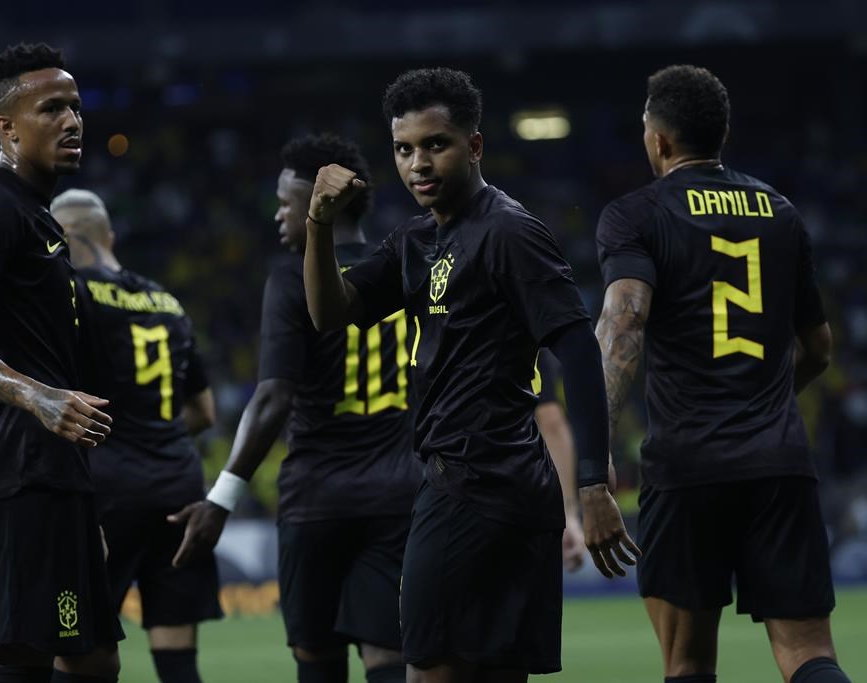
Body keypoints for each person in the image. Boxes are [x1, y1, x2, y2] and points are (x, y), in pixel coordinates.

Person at [302, 67, 637, 683]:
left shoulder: (508, 231)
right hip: (495, 488)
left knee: (429, 672)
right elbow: (331, 313)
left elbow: (578, 350)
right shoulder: (416, 240)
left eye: (436, 144)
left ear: (474, 145)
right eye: (404, 149)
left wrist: (593, 484)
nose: (418, 164)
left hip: (474, 485)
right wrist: (318, 223)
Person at [594, 64, 847, 683]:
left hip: (687, 466)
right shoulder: (781, 211)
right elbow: (819, 348)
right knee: (810, 654)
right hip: (779, 462)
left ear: (658, 139)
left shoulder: (635, 215)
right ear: (721, 134)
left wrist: (593, 456)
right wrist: (765, 400)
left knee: (688, 663)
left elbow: (624, 326)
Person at [171, 133, 419, 683]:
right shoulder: (404, 270)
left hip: (317, 501)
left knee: (318, 661)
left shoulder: (290, 279)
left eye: (287, 202)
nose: (279, 215)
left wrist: (221, 498)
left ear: (321, 202)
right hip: (398, 498)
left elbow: (273, 397)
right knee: (389, 659)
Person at [0, 43, 123, 683]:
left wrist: (80, 495)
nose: (72, 121)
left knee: (94, 657)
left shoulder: (38, 218)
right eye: (52, 108)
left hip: (55, 476)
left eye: (76, 107)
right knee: (28, 656)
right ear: (7, 127)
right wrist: (34, 395)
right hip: (15, 472)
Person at [50, 189, 221, 683]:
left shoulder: (72, 295)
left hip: (106, 493)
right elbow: (204, 412)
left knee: (78, 649)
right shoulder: (167, 301)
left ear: (62, 239)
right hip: (179, 488)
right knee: (178, 655)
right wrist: (156, 435)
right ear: (109, 236)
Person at [534, 350, 587, 572]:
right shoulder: (522, 335)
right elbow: (550, 421)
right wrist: (569, 515)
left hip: (443, 488)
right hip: (510, 502)